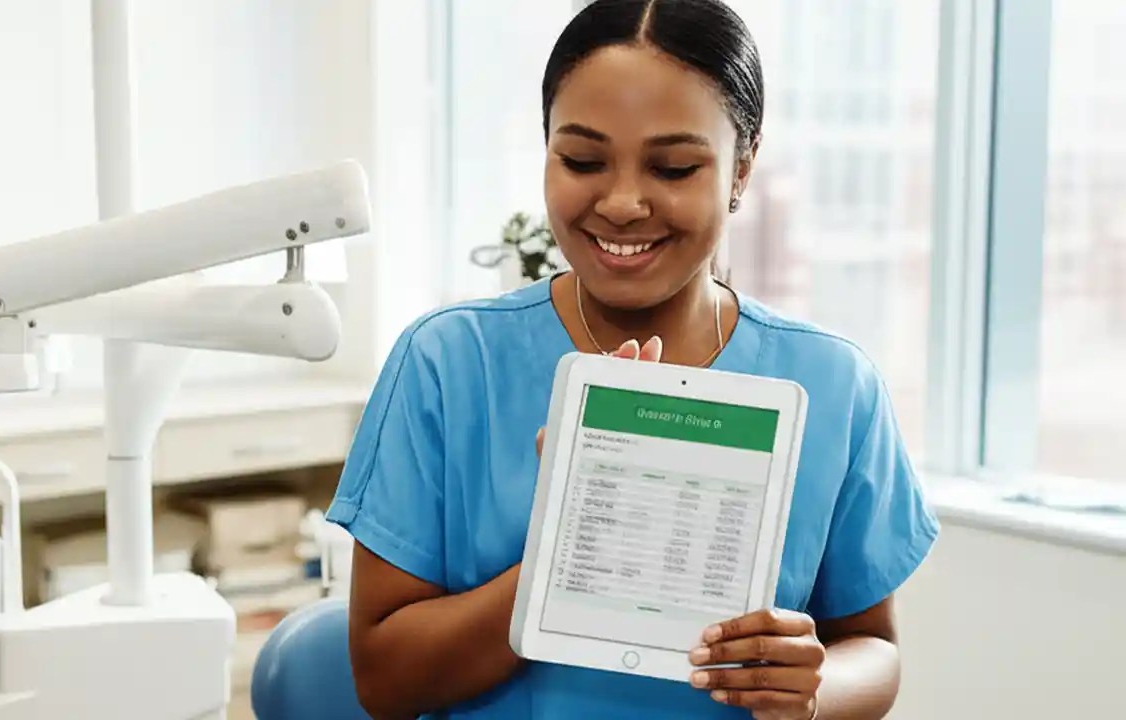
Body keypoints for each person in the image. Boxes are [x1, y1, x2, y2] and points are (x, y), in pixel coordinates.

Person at [324, 0, 939, 717]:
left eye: (673, 168)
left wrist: (811, 687)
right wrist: (575, 542)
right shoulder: (448, 363)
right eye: (582, 160)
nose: (621, 203)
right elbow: (385, 680)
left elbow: (872, 646)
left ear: (741, 170)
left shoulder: (834, 383)